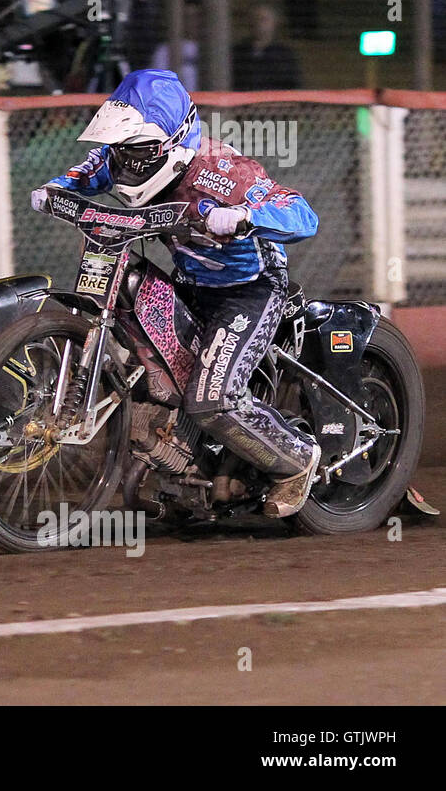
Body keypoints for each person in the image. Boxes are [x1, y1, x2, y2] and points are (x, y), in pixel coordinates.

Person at [30, 69, 322, 517]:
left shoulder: (224, 172)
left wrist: (244, 216)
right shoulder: (121, 157)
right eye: (120, 151)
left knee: (211, 399)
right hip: (189, 285)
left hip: (247, 293)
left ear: (176, 140)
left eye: (138, 152)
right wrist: (58, 189)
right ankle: (176, 445)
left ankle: (297, 460)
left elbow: (302, 215)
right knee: (135, 318)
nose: (126, 164)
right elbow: (85, 172)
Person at [232, 4, 302, 90]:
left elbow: (292, 85)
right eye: (255, 19)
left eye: (264, 19)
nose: (258, 24)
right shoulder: (237, 52)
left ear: (274, 23)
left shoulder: (284, 55)